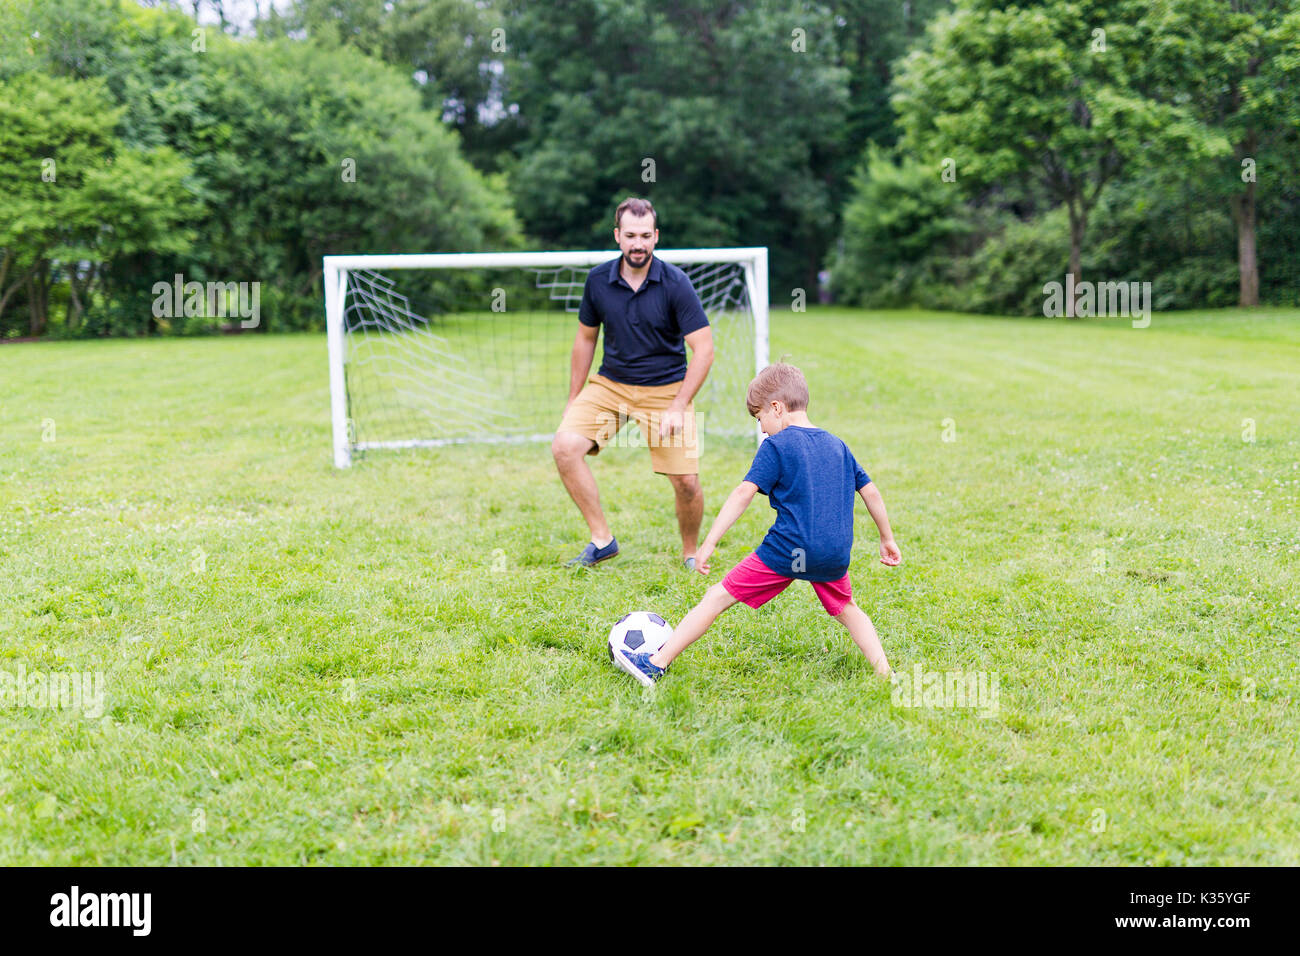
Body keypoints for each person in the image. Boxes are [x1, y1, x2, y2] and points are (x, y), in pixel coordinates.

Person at [612, 362, 901, 685]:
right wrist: (886, 538)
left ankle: (655, 661)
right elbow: (871, 492)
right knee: (847, 608)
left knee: (716, 597)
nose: (762, 428)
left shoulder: (775, 446)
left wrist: (708, 543)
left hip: (789, 549)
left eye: (760, 417)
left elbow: (742, 494)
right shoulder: (838, 445)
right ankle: (885, 674)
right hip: (834, 552)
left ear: (777, 408)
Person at [552, 197, 714, 569]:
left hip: (666, 389)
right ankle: (602, 540)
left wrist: (677, 406)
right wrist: (574, 398)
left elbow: (703, 350)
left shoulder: (676, 283)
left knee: (686, 482)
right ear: (617, 236)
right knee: (564, 447)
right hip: (611, 385)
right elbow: (585, 339)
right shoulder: (597, 281)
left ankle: (690, 553)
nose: (637, 243)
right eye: (630, 235)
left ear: (655, 237)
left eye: (645, 235)